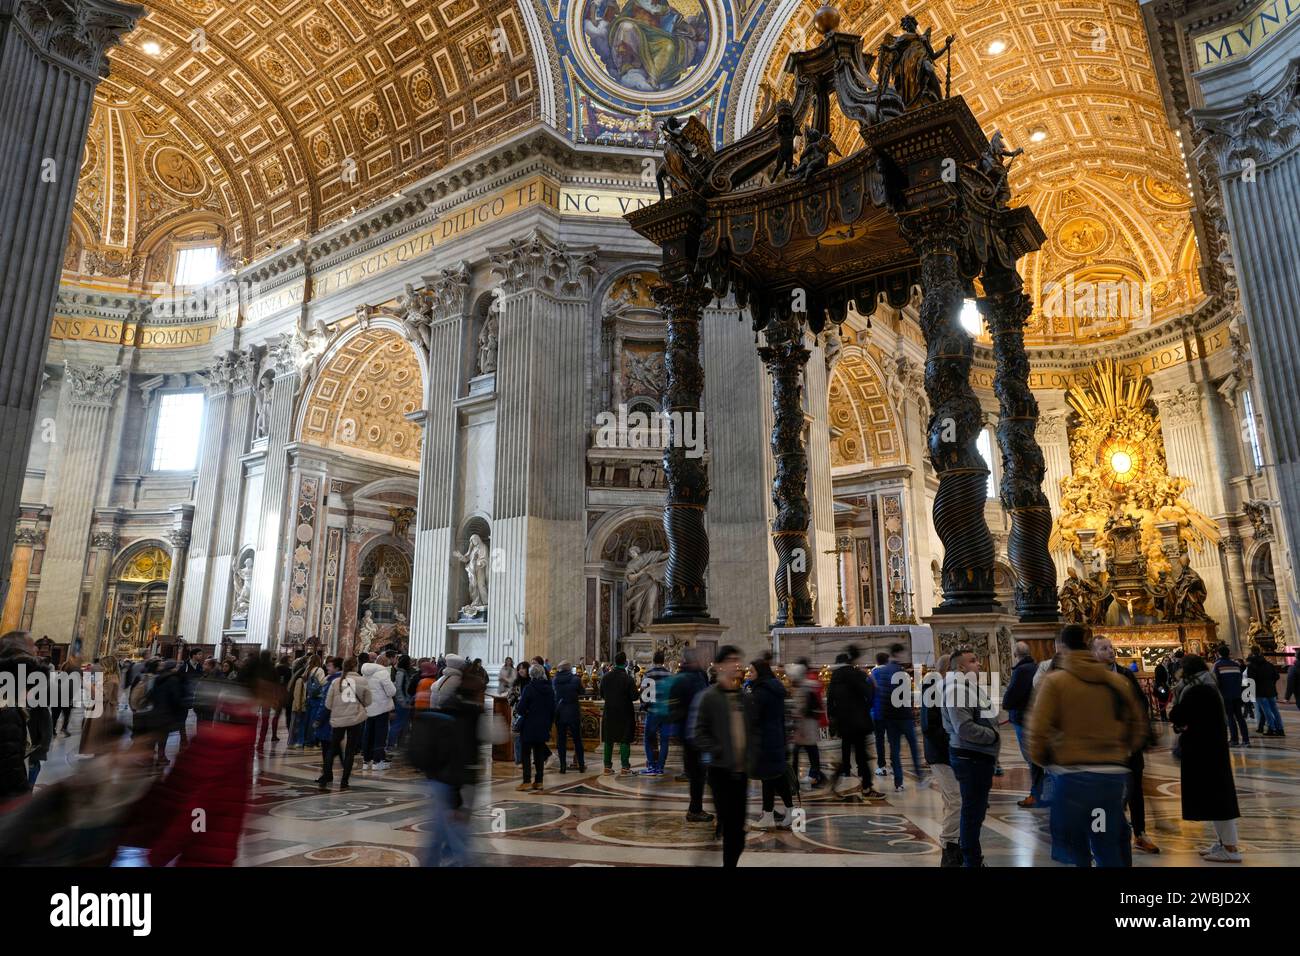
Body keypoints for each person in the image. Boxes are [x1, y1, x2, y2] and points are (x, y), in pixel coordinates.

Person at [1027, 626, 1146, 867]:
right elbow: (1139, 727)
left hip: (1073, 778)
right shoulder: (1117, 681)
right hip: (1111, 778)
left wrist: (1047, 761)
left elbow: (1037, 732)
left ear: (1063, 647)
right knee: (1105, 841)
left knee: (1074, 846)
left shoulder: (1055, 682)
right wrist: (1119, 754)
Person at [1169, 655, 1243, 862]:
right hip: (1210, 750)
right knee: (1215, 800)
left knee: (1218, 801)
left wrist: (1177, 718)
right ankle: (1223, 843)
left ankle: (1230, 848)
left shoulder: (1198, 690)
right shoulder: (1206, 685)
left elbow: (1178, 715)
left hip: (1206, 752)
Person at [411, 658, 484, 866]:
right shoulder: (466, 710)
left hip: (437, 764)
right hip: (450, 772)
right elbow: (460, 751)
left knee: (440, 829)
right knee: (453, 831)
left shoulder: (441, 683)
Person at [690, 645, 758, 867]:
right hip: (720, 772)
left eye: (737, 660)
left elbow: (752, 730)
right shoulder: (708, 697)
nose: (735, 664)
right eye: (730, 660)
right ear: (719, 665)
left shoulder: (744, 698)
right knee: (732, 829)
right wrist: (717, 749)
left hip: (741, 773)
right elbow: (697, 733)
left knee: (738, 833)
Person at [1093, 637, 1161, 855]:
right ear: (1093, 653)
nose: (1110, 651)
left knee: (1135, 790)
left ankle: (1140, 833)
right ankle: (1101, 837)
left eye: (1111, 648)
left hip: (1130, 743)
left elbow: (1141, 704)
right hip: (1104, 745)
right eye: (1104, 648)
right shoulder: (1090, 678)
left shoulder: (1126, 674)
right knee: (1102, 794)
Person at [940, 647, 1000, 868]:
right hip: (970, 756)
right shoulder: (957, 689)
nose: (979, 664)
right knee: (972, 813)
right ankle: (971, 860)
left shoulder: (967, 686)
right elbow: (963, 727)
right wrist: (992, 736)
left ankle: (973, 857)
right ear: (961, 667)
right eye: (973, 661)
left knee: (975, 811)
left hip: (976, 755)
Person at [921, 655, 961, 866]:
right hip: (941, 752)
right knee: (956, 800)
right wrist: (953, 740)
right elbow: (930, 725)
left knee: (951, 799)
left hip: (944, 752)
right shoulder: (934, 686)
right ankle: (949, 846)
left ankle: (955, 841)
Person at [827, 646, 881, 796]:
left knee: (846, 756)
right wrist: (871, 688)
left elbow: (830, 701)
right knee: (862, 757)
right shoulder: (856, 674)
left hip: (843, 722)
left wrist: (833, 721)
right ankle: (867, 787)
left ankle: (834, 781)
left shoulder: (835, 677)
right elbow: (868, 694)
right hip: (858, 721)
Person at [669, 647, 712, 823]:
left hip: (696, 731)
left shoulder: (697, 676)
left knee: (700, 773)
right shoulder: (687, 679)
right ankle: (695, 809)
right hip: (691, 732)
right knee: (698, 774)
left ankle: (696, 808)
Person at [750, 657, 794, 829]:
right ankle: (775, 813)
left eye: (752, 671)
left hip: (765, 739)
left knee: (770, 777)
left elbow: (754, 716)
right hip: (775, 736)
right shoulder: (774, 687)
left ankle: (774, 813)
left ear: (760, 672)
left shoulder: (761, 691)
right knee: (773, 777)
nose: (749, 674)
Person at [1002, 641, 1044, 808]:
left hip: (1022, 717)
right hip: (1034, 716)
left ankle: (1036, 794)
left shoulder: (1021, 671)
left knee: (1032, 758)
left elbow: (1010, 698)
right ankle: (1041, 792)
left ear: (1014, 654)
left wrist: (1006, 704)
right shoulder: (1035, 667)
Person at [877, 643, 922, 792]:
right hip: (903, 715)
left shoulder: (882, 671)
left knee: (894, 751)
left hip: (889, 717)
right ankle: (919, 776)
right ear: (898, 654)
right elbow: (905, 695)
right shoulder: (900, 671)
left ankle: (898, 782)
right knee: (913, 747)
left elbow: (880, 693)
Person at [322, 657, 372, 791]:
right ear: (355, 667)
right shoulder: (362, 680)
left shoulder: (336, 681)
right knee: (350, 750)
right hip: (355, 719)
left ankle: (326, 776)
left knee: (332, 748)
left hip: (338, 719)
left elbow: (328, 704)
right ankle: (344, 781)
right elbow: (368, 701)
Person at [514, 662, 555, 791]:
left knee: (526, 754)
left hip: (529, 725)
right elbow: (553, 709)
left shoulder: (529, 688)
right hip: (544, 724)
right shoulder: (549, 688)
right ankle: (539, 781)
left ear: (531, 675)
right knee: (539, 754)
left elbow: (520, 709)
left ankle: (526, 781)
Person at [788, 660, 826, 787]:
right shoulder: (811, 684)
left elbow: (800, 708)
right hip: (809, 725)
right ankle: (815, 776)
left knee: (799, 752)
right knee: (811, 751)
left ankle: (796, 779)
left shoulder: (802, 687)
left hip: (804, 726)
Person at [600, 652, 636, 774]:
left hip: (609, 711)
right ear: (625, 663)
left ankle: (607, 767)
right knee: (624, 739)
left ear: (615, 662)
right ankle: (625, 767)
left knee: (608, 739)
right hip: (625, 713)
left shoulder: (605, 677)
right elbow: (634, 697)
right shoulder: (628, 679)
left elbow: (602, 695)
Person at [360, 653, 397, 770]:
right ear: (385, 663)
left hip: (369, 707)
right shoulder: (383, 673)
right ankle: (378, 761)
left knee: (368, 734)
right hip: (381, 708)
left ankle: (366, 761)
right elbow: (391, 692)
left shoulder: (365, 672)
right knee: (380, 735)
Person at [79, 654, 121, 756]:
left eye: (102, 665)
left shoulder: (111, 679)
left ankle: (99, 755)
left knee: (99, 736)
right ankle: (98, 753)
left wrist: (88, 684)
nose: (100, 667)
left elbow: (102, 696)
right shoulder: (108, 677)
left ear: (108, 666)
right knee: (97, 736)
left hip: (104, 711)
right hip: (101, 709)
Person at [640, 650, 672, 775]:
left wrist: (645, 707)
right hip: (665, 711)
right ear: (663, 661)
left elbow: (644, 695)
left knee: (648, 738)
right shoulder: (670, 675)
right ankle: (661, 767)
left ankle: (652, 766)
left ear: (653, 660)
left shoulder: (648, 674)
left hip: (653, 711)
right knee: (664, 740)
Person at [1212, 644, 1250, 747]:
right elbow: (1240, 679)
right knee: (1240, 717)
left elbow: (1215, 681)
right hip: (1237, 694)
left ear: (1218, 654)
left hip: (1225, 695)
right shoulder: (1236, 664)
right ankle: (1246, 740)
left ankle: (1234, 739)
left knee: (1230, 717)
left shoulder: (1217, 665)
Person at [552, 661, 585, 773]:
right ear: (569, 669)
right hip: (573, 712)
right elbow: (582, 692)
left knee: (561, 741)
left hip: (560, 712)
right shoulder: (575, 679)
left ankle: (562, 766)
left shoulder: (555, 680)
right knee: (577, 740)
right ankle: (581, 765)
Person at [1246, 648, 1283, 737]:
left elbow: (1251, 680)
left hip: (1260, 691)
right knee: (1275, 710)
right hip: (1271, 690)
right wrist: (1270, 683)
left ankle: (1272, 728)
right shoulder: (1269, 664)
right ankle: (1280, 729)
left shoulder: (1252, 666)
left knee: (1266, 710)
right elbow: (1277, 676)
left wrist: (1249, 693)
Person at [870, 651, 891, 779]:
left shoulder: (873, 674)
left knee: (879, 740)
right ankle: (895, 766)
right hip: (891, 711)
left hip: (877, 712)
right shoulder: (891, 673)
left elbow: (869, 693)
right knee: (893, 740)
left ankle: (882, 766)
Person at [388, 654, 415, 750]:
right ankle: (390, 745)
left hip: (404, 701)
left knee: (403, 724)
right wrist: (404, 702)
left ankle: (400, 744)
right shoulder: (401, 673)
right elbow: (399, 688)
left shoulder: (402, 672)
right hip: (402, 702)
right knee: (397, 724)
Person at [1153, 656, 1172, 722]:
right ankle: (1163, 717)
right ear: (1162, 661)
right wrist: (1161, 688)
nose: (1167, 662)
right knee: (1162, 702)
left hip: (1166, 687)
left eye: (1168, 661)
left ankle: (1165, 716)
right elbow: (1158, 679)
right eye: (1165, 660)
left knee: (1165, 701)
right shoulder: (1159, 668)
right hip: (1160, 687)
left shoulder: (1168, 668)